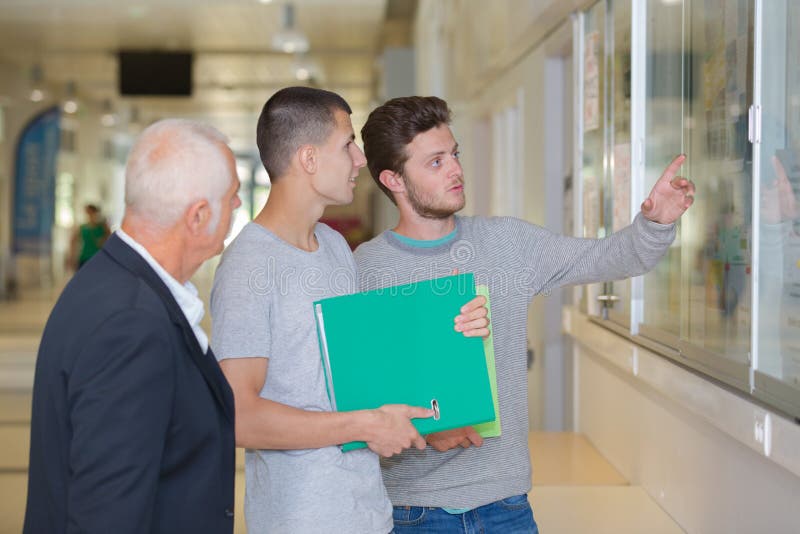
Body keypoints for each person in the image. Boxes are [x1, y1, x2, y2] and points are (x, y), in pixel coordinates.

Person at [355, 95, 695, 533]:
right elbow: (358, 398)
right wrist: (422, 431)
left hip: (505, 505)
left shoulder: (507, 244)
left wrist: (656, 223)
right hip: (412, 511)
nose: (457, 169)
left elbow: (610, 258)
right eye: (436, 162)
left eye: (454, 154)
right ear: (394, 180)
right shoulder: (366, 268)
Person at [209, 86, 488, 534]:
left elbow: (354, 379)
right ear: (309, 159)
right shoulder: (249, 266)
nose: (360, 160)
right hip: (301, 520)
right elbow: (237, 415)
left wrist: (427, 421)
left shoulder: (335, 247)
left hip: (368, 512)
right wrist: (364, 424)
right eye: (347, 144)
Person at [24, 119, 241, 534]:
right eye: (232, 196)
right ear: (198, 216)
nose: (235, 207)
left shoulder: (107, 282)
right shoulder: (133, 326)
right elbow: (107, 516)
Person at [68, 203, 111, 269]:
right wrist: (72, 257)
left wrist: (103, 239)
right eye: (88, 212)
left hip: (98, 258)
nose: (90, 215)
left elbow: (110, 238)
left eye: (91, 212)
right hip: (85, 257)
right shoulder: (82, 228)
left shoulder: (103, 227)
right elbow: (73, 241)